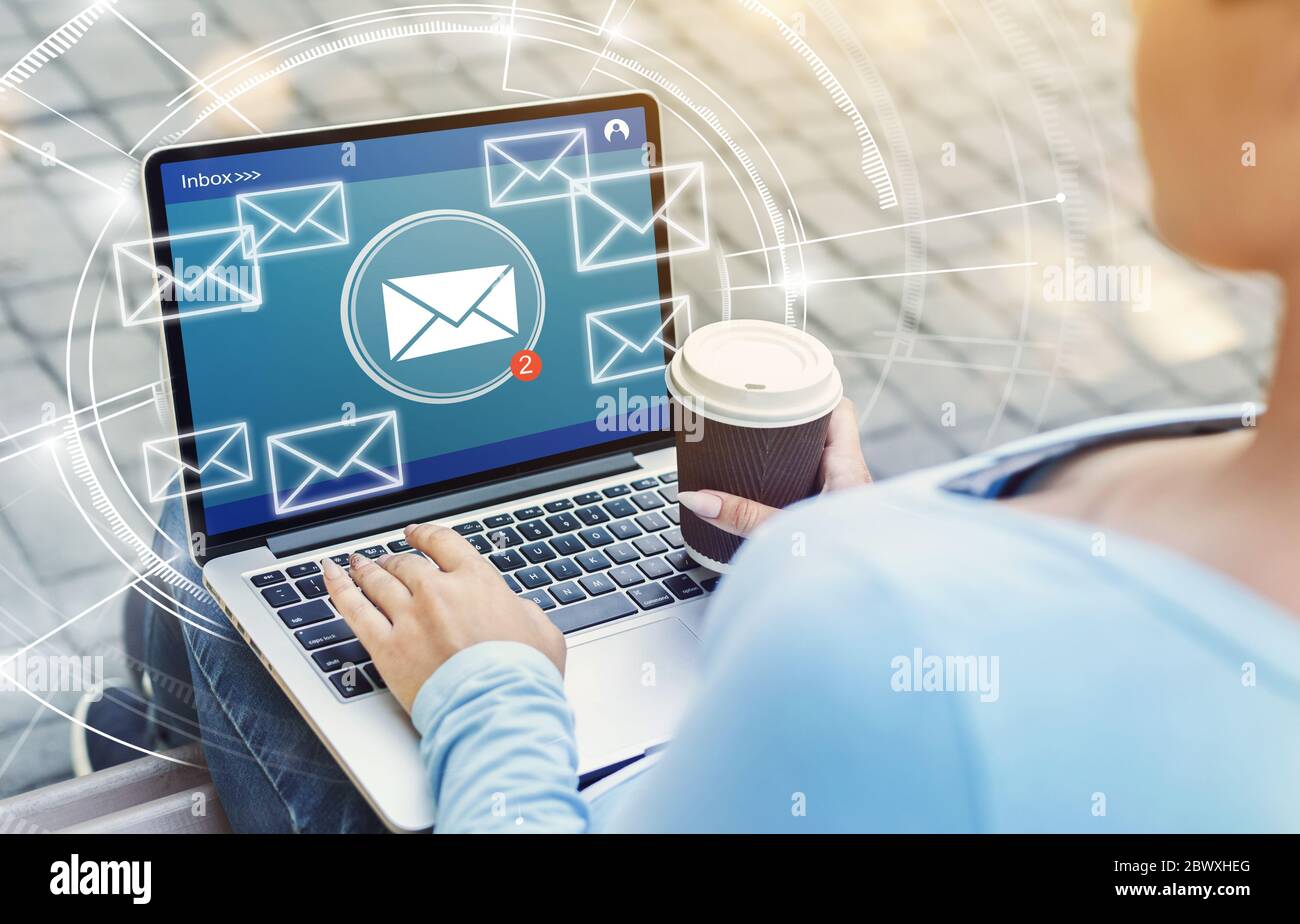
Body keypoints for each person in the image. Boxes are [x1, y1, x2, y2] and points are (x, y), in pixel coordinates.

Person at [88, 0, 1300, 831]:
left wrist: (491, 687)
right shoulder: (1219, 464)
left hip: (532, 780)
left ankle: (114, 768)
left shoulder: (872, 631)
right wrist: (843, 550)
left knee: (216, 556)